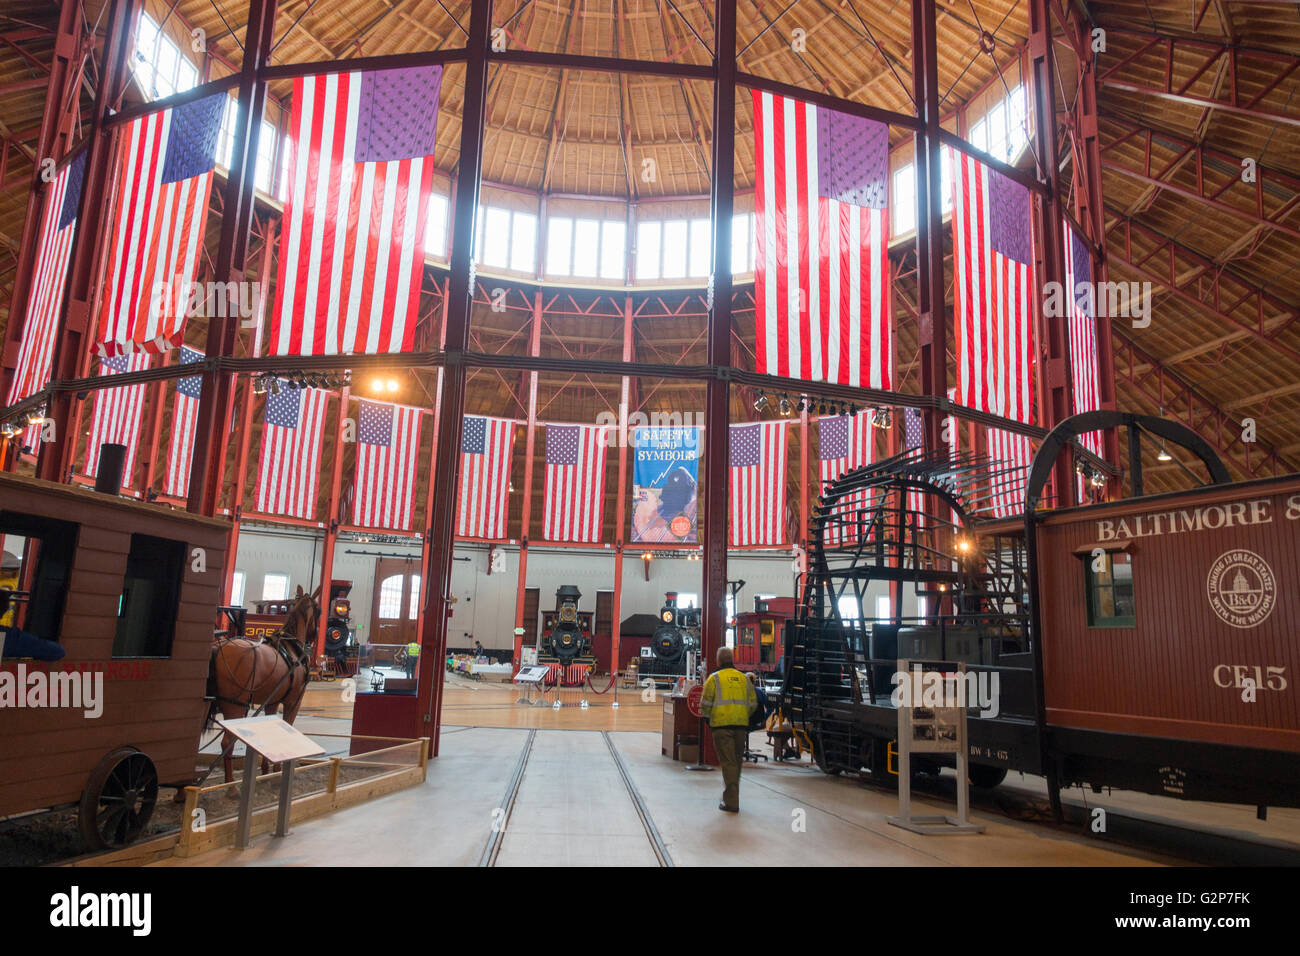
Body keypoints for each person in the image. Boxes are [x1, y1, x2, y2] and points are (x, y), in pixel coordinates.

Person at [700, 646, 757, 813]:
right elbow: (753, 704)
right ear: (732, 660)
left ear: (718, 661)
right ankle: (732, 796)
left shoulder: (714, 679)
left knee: (728, 763)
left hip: (721, 727)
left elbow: (705, 704)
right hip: (740, 727)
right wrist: (742, 715)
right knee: (736, 763)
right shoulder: (744, 678)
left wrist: (709, 718)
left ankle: (731, 802)